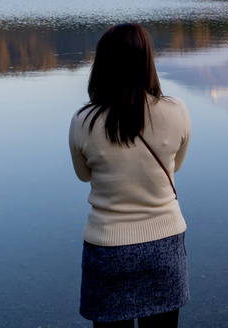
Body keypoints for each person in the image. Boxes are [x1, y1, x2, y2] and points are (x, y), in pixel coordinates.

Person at [69, 23, 191, 327]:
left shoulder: (83, 120)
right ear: (147, 61)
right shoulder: (177, 111)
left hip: (107, 248)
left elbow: (83, 175)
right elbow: (175, 166)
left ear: (102, 63)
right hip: (163, 245)